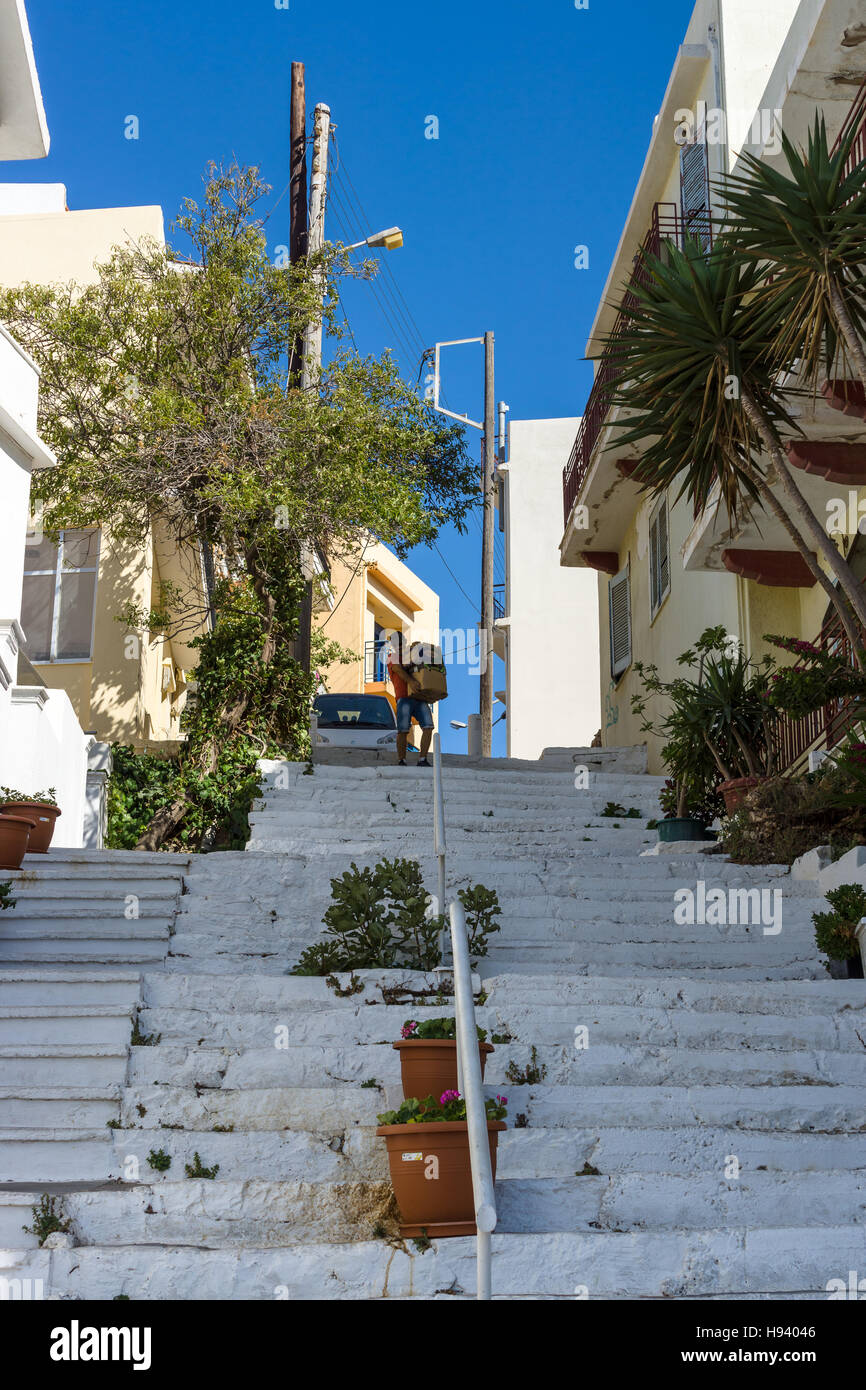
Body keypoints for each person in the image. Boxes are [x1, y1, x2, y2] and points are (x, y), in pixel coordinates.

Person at [387, 636, 435, 767]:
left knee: (428, 726)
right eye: (397, 643)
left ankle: (422, 759)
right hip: (404, 698)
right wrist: (411, 682)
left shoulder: (410, 656)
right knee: (403, 730)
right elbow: (397, 669)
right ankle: (401, 760)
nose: (400, 645)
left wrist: (418, 648)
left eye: (402, 643)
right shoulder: (392, 657)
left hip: (419, 697)